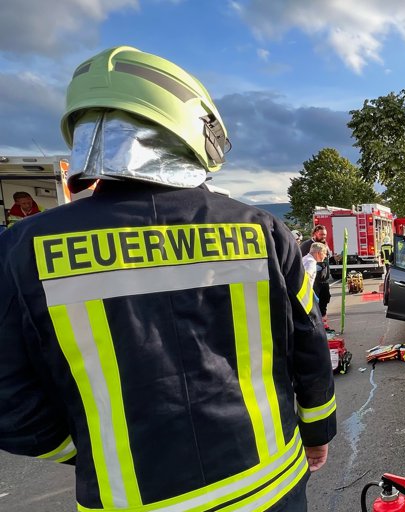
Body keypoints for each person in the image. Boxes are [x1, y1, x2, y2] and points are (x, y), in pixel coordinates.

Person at [0, 46, 335, 512]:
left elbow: (10, 399)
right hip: (268, 486)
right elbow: (310, 346)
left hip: (130, 499)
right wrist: (317, 433)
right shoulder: (263, 231)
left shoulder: (21, 250)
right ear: (190, 127)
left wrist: (89, 451)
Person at [300, 225, 332, 328]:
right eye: (321, 234)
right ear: (315, 233)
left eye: (325, 235)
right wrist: (309, 291)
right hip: (315, 283)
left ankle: (322, 324)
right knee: (313, 306)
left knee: (325, 299)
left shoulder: (324, 245)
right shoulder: (308, 251)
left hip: (323, 279)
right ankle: (317, 326)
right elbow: (307, 277)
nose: (324, 236)